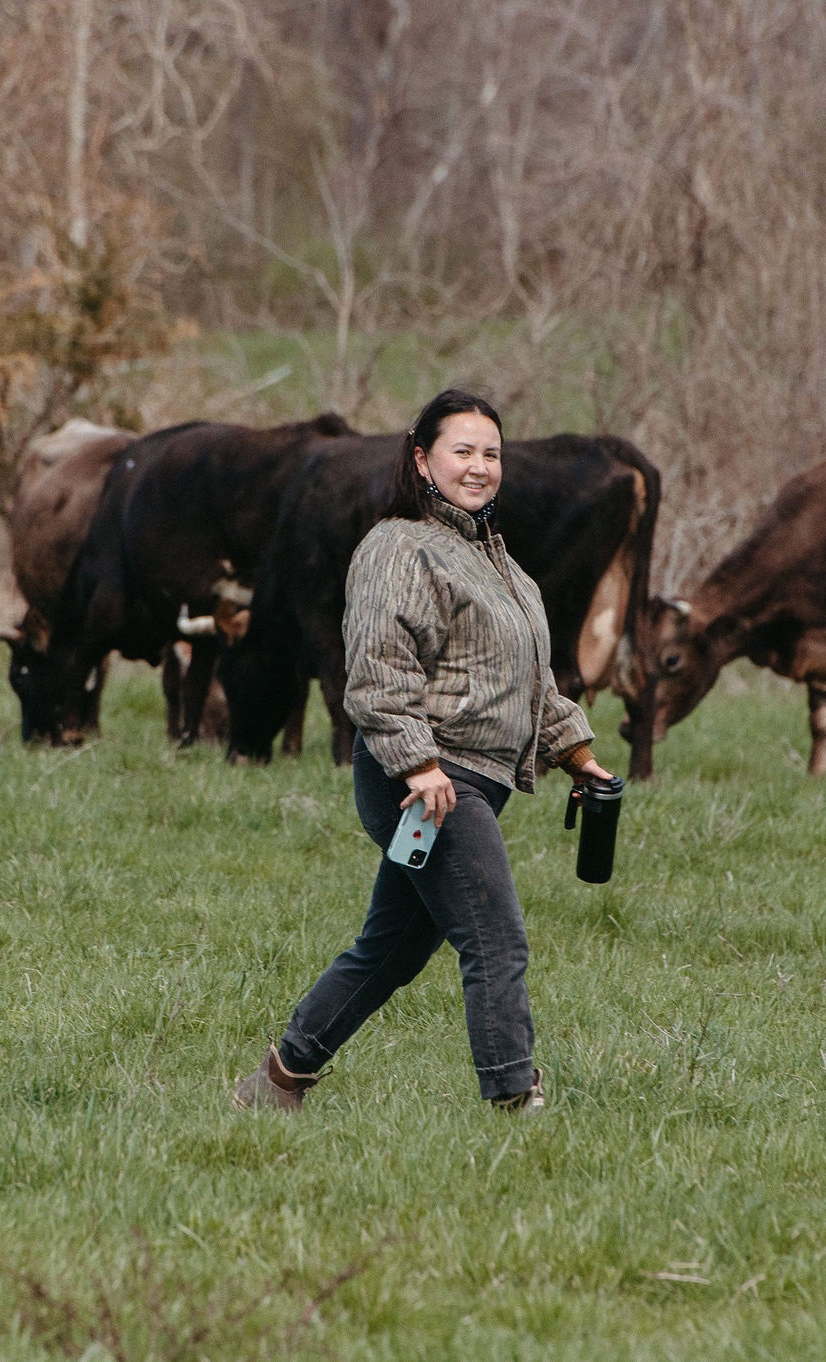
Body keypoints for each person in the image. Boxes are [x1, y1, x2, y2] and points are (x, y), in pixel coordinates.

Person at [234, 388, 618, 1112]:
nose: (480, 467)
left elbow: (528, 680)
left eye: (492, 454)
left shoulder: (494, 559)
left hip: (463, 777)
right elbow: (378, 670)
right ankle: (512, 1100)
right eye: (462, 451)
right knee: (495, 938)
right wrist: (418, 763)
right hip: (426, 781)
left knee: (391, 950)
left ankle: (278, 1082)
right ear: (421, 459)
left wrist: (577, 754)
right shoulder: (396, 548)